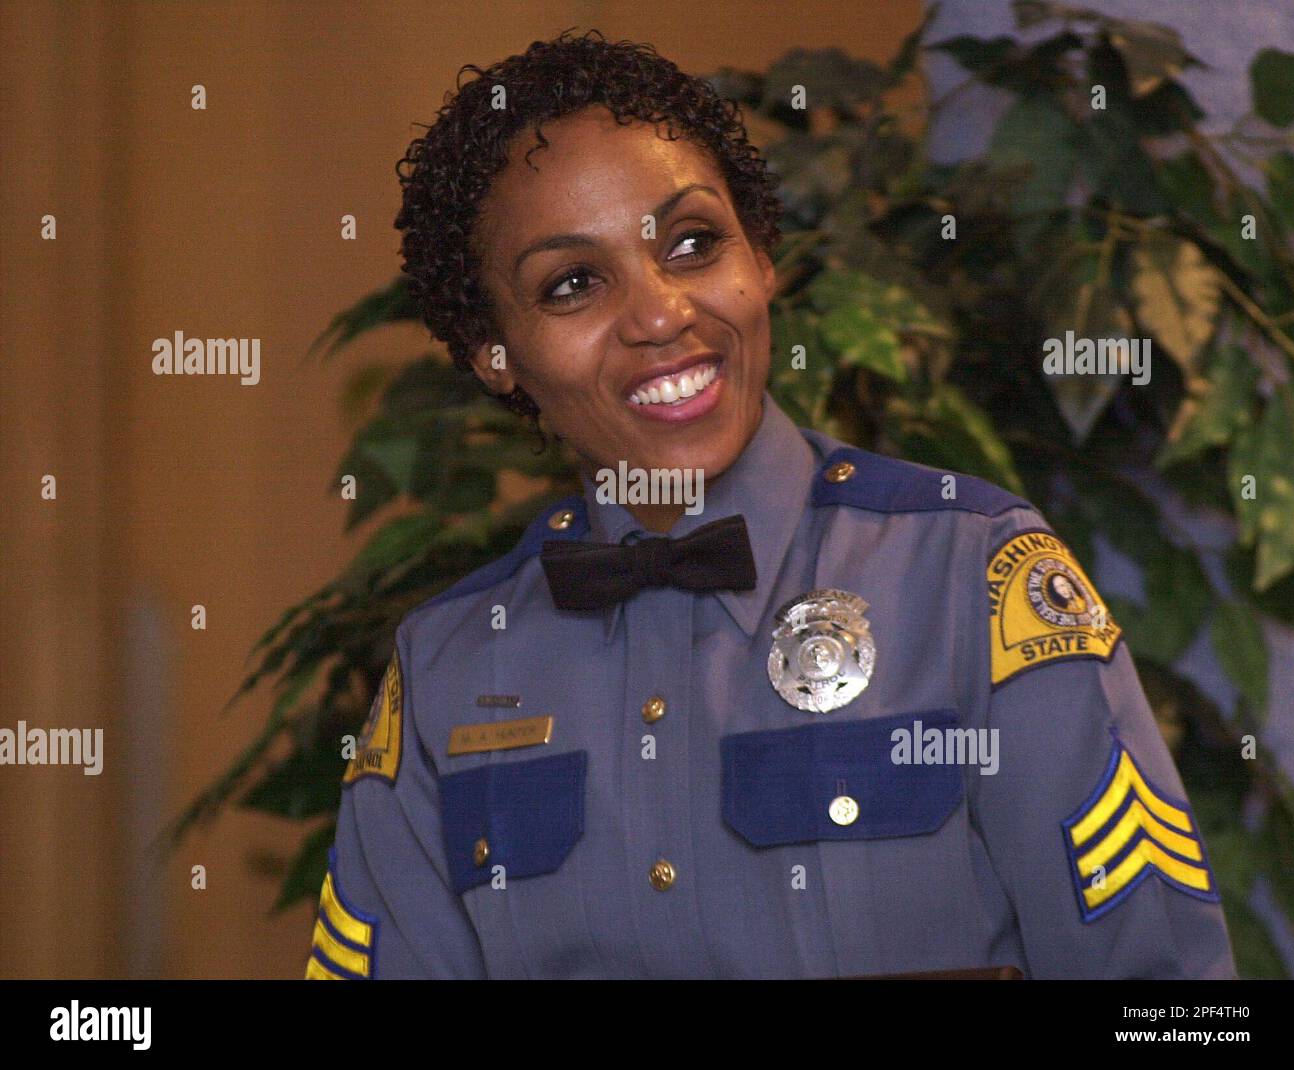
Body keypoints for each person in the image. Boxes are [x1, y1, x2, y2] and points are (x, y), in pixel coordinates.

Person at [304, 30, 1235, 980]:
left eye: (693, 242)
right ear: (492, 353)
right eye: (572, 284)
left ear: (763, 256)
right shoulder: (446, 672)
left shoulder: (976, 584)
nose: (662, 313)